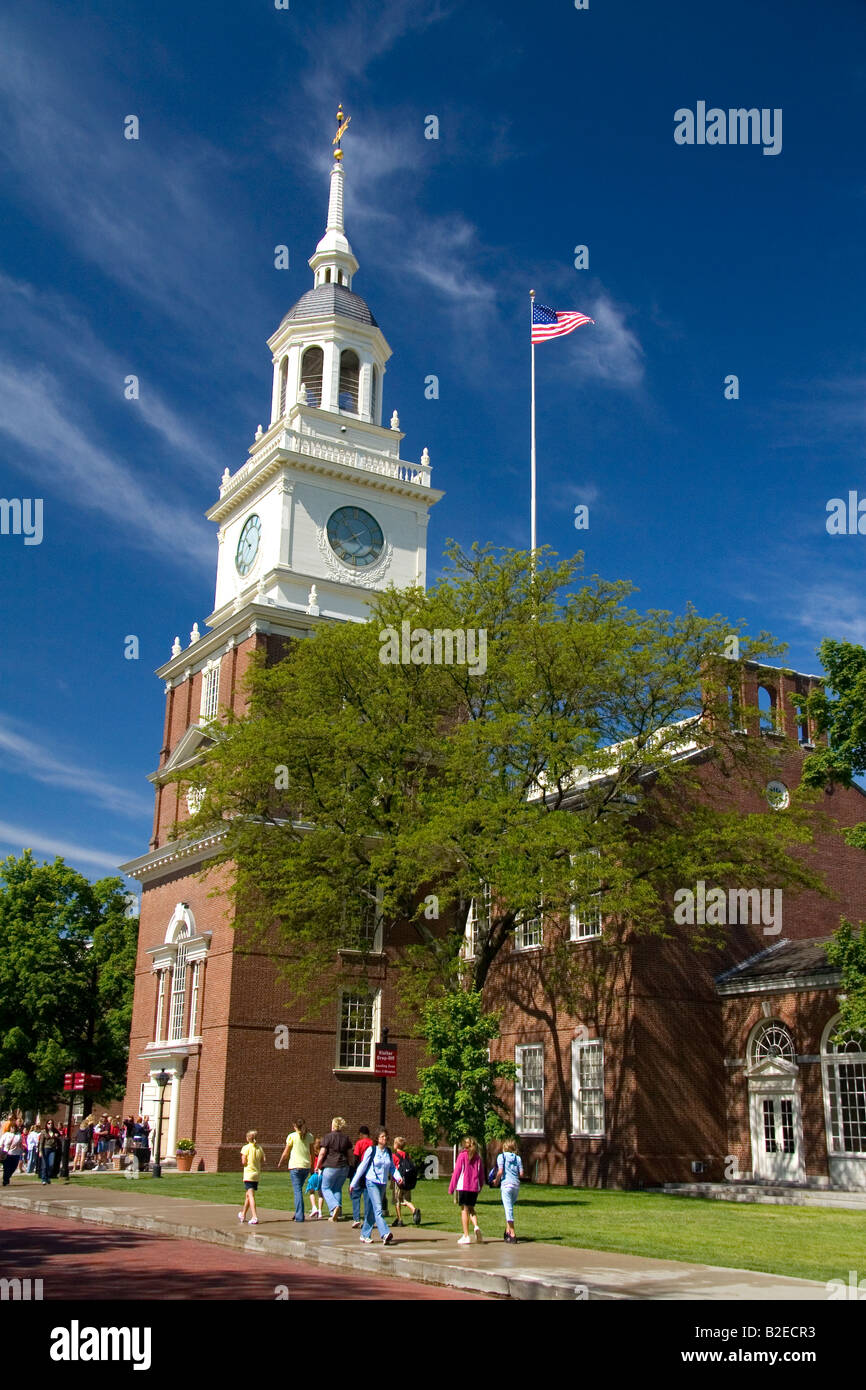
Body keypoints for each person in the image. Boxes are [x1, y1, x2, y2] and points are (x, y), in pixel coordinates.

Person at [349, 1128, 402, 1244]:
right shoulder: (371, 1150)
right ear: (377, 1139)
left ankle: (364, 1234)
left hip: (382, 1183)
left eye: (386, 1136)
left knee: (373, 1211)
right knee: (378, 1209)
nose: (385, 1138)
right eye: (382, 1136)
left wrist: (398, 1177)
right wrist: (353, 1183)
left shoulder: (388, 1152)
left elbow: (392, 1167)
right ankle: (385, 1233)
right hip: (371, 1181)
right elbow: (362, 1167)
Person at [448, 1136, 485, 1244]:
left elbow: (457, 1173)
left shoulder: (462, 1156)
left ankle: (466, 1235)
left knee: (464, 1210)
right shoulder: (478, 1157)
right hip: (474, 1187)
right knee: (471, 1209)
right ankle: (476, 1227)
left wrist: (451, 1188)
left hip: (464, 1187)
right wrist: (480, 1186)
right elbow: (481, 1174)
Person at [277, 1119, 315, 1222]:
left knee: (297, 1191)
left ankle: (299, 1216)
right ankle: (298, 1212)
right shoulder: (310, 1136)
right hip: (306, 1166)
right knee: (299, 1190)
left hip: (295, 1167)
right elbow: (312, 1152)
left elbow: (286, 1152)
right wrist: (312, 1167)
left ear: (295, 1126)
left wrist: (280, 1162)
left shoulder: (291, 1136)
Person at [315, 1117, 352, 1221]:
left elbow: (322, 1153)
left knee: (325, 1188)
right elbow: (350, 1154)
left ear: (333, 1125)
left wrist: (318, 1165)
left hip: (331, 1166)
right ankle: (337, 1214)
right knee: (337, 1188)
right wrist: (351, 1164)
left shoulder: (328, 1137)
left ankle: (334, 1206)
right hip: (344, 1167)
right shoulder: (346, 1138)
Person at [496, 1138, 525, 1243]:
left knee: (508, 1209)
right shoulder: (518, 1158)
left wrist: (496, 1180)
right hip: (516, 1185)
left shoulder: (501, 1157)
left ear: (504, 1147)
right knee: (510, 1208)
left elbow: (500, 1171)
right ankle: (507, 1230)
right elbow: (521, 1174)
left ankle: (512, 1234)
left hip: (506, 1185)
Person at [391, 1137, 421, 1227]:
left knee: (397, 1200)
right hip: (407, 1180)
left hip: (398, 1181)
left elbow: (393, 1168)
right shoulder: (407, 1155)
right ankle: (414, 1210)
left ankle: (400, 1219)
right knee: (406, 1200)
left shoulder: (394, 1156)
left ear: (396, 1145)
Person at [238, 1130, 264, 1225]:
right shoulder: (259, 1148)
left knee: (251, 1196)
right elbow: (263, 1159)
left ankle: (254, 1216)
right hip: (256, 1174)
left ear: (247, 1138)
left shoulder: (245, 1148)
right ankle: (243, 1214)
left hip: (249, 1174)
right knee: (248, 1195)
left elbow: (243, 1161)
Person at [349, 1125, 373, 1228]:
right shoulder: (372, 1143)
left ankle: (356, 1218)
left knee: (355, 1194)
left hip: (360, 1170)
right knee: (367, 1196)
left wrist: (353, 1169)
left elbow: (356, 1157)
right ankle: (367, 1219)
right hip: (369, 1171)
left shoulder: (359, 1143)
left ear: (360, 1134)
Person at [38, 1120, 60, 1184]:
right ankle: (44, 1179)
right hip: (45, 1149)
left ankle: (48, 1177)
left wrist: (57, 1136)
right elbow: (41, 1142)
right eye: (49, 1123)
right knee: (45, 1164)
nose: (50, 1125)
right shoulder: (43, 1132)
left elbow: (59, 1136)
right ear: (46, 1124)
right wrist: (40, 1151)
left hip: (52, 1149)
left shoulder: (54, 1131)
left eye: (51, 1123)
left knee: (51, 1164)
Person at [305, 1144, 324, 1218]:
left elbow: (310, 1165)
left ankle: (314, 1207)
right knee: (320, 1194)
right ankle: (320, 1211)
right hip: (321, 1175)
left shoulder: (312, 1156)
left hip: (314, 1175)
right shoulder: (323, 1156)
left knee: (311, 1192)